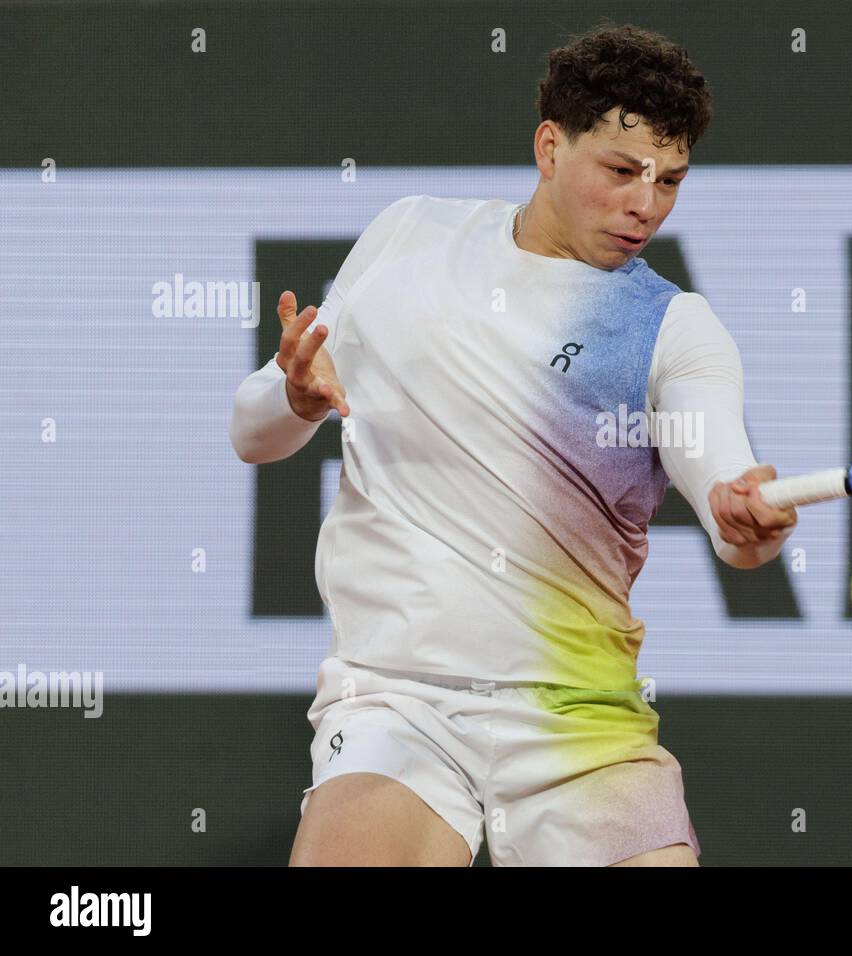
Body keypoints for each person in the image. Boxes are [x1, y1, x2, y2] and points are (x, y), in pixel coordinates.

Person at [229, 23, 797, 867]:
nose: (647, 203)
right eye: (622, 171)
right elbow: (252, 433)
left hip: (579, 720)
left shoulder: (676, 329)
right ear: (549, 147)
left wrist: (739, 517)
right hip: (397, 701)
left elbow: (716, 472)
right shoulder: (410, 237)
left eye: (671, 181)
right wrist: (296, 396)